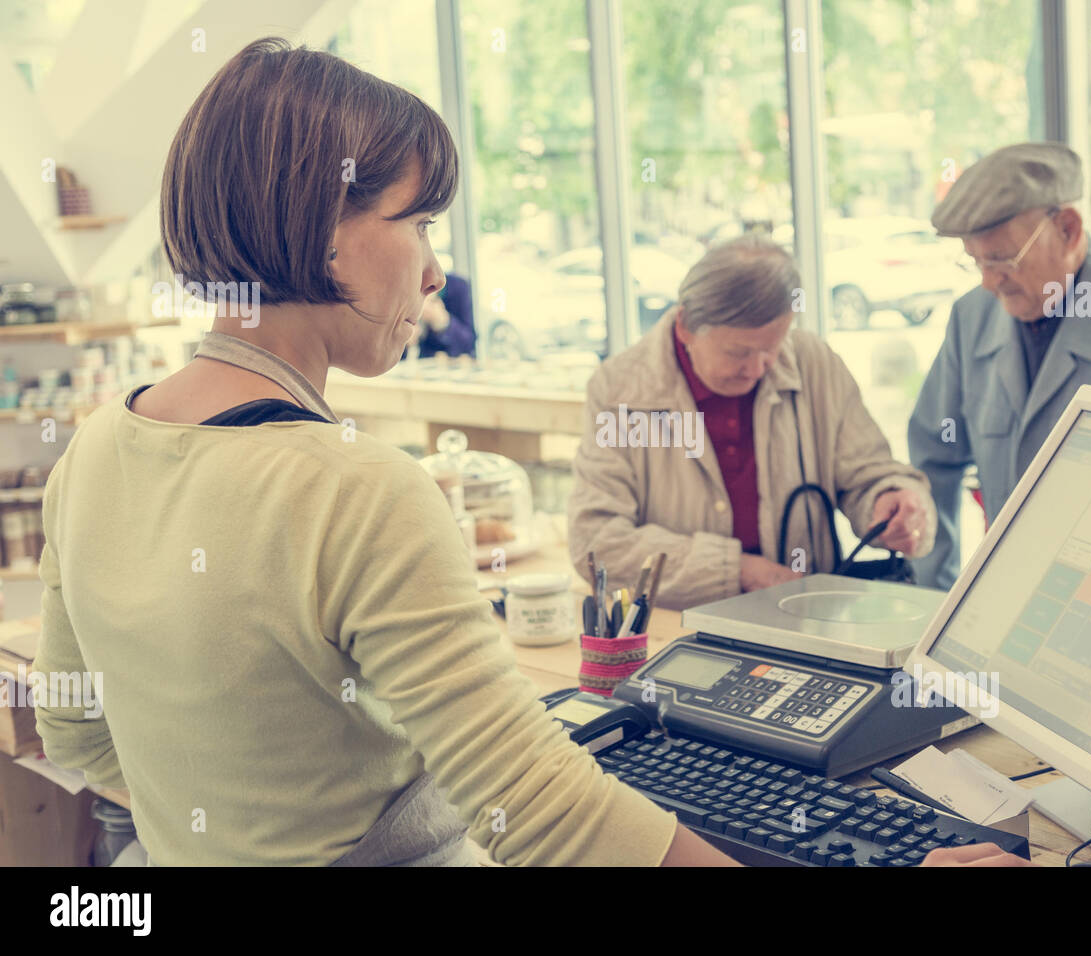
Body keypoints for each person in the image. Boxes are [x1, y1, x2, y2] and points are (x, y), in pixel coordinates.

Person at [30, 36, 732, 867]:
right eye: (421, 224)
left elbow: (72, 730)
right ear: (323, 229)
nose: (435, 273)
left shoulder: (95, 450)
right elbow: (538, 809)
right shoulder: (357, 488)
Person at [568, 235, 937, 612]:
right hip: (680, 631)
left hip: (807, 622)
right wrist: (736, 570)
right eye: (738, 352)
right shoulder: (620, 392)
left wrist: (888, 501)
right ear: (685, 328)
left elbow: (868, 475)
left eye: (772, 346)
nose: (759, 368)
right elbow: (597, 543)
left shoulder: (814, 365)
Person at [908, 142, 1091, 590]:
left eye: (1002, 259)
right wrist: (939, 592)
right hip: (1005, 599)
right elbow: (935, 458)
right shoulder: (971, 319)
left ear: (1068, 229)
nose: (990, 282)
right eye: (976, 262)